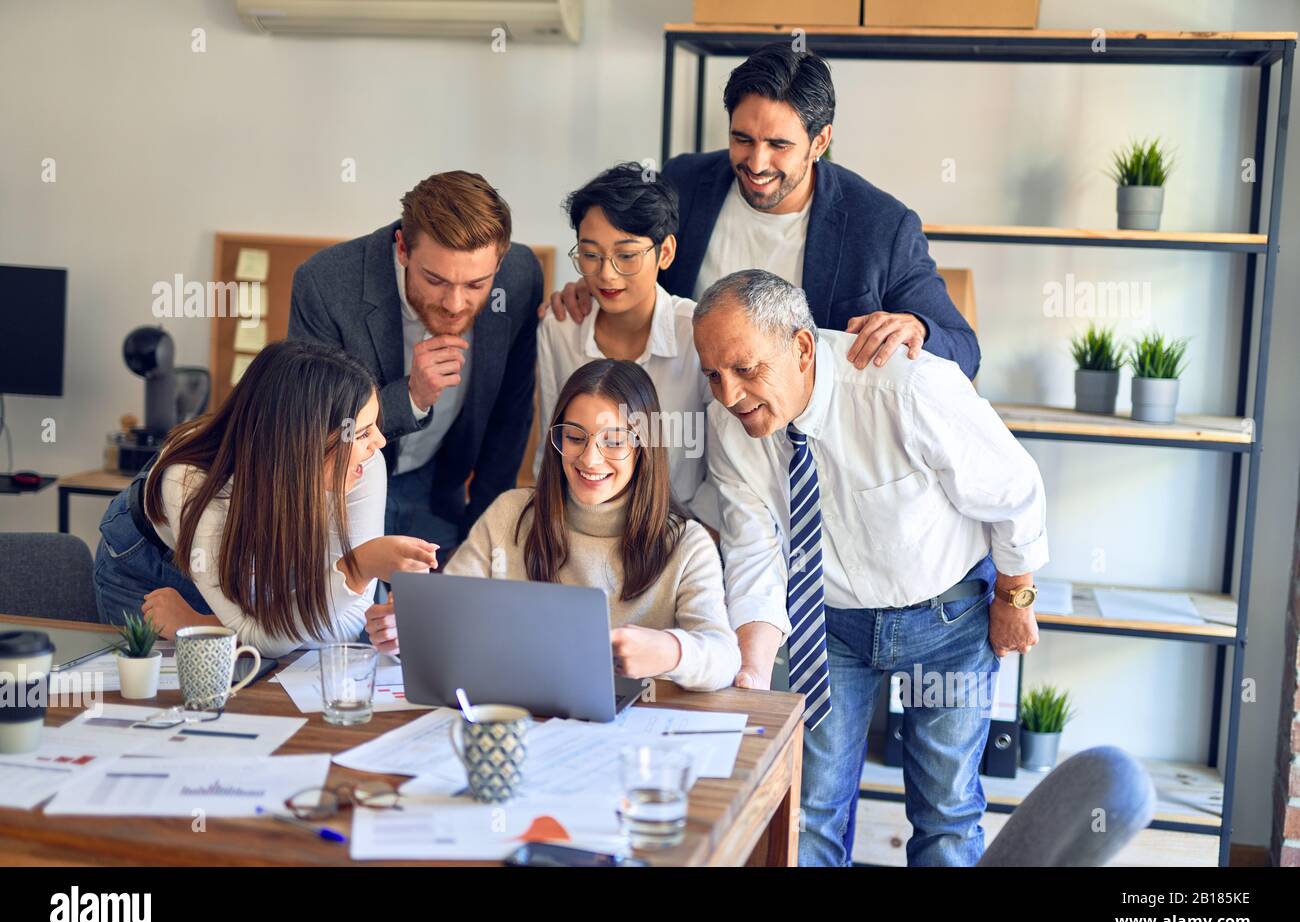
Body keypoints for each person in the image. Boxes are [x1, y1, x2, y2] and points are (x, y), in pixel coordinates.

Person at [694, 270, 1048, 866]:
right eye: (713, 375)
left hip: (949, 622)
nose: (729, 395)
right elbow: (753, 549)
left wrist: (1015, 599)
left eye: (745, 369)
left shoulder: (908, 388)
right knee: (810, 811)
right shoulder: (731, 426)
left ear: (802, 347)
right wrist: (752, 671)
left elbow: (1015, 491)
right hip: (832, 629)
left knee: (946, 814)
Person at [544, 43, 979, 379]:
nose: (756, 163)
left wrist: (917, 329)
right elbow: (630, 258)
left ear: (820, 142)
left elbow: (964, 349)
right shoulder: (686, 182)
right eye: (743, 139)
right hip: (684, 423)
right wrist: (598, 284)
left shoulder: (881, 226)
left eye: (779, 145)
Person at [366, 359, 741, 692]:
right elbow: (448, 618)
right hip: (516, 724)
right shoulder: (510, 514)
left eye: (613, 441)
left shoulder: (686, 544)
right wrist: (409, 629)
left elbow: (724, 658)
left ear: (644, 446)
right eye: (575, 437)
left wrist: (672, 651)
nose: (590, 459)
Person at [93, 340, 439, 658]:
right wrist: (355, 569)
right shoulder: (192, 482)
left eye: (374, 425)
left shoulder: (362, 463)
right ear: (304, 444)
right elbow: (268, 636)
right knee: (184, 700)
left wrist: (202, 626)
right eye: (362, 432)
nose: (378, 442)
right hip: (158, 573)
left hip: (255, 572)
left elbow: (342, 629)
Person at [289, 170, 542, 551]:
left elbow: (512, 413)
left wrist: (486, 534)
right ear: (403, 249)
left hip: (440, 488)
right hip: (339, 491)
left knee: (438, 608)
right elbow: (314, 428)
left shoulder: (521, 278)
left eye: (476, 285)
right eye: (435, 280)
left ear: (500, 262)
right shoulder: (325, 284)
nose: (455, 304)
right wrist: (410, 397)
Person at [537, 161, 716, 525]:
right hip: (578, 529)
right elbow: (552, 449)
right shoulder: (560, 329)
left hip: (676, 534)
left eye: (627, 256)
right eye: (590, 254)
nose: (606, 273)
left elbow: (724, 470)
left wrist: (695, 540)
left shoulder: (697, 335)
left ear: (665, 253)